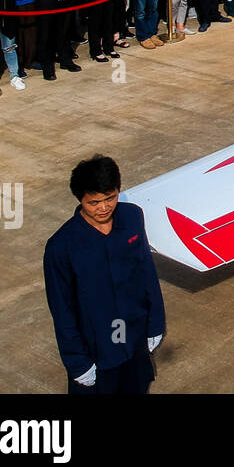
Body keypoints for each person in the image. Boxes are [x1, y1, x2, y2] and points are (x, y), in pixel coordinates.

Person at [43, 155, 166, 395]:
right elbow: (62, 309)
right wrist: (78, 363)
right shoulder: (61, 247)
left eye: (110, 198)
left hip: (133, 340)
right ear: (80, 200)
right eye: (94, 202)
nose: (104, 207)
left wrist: (155, 323)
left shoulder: (132, 218)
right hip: (96, 350)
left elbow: (147, 273)